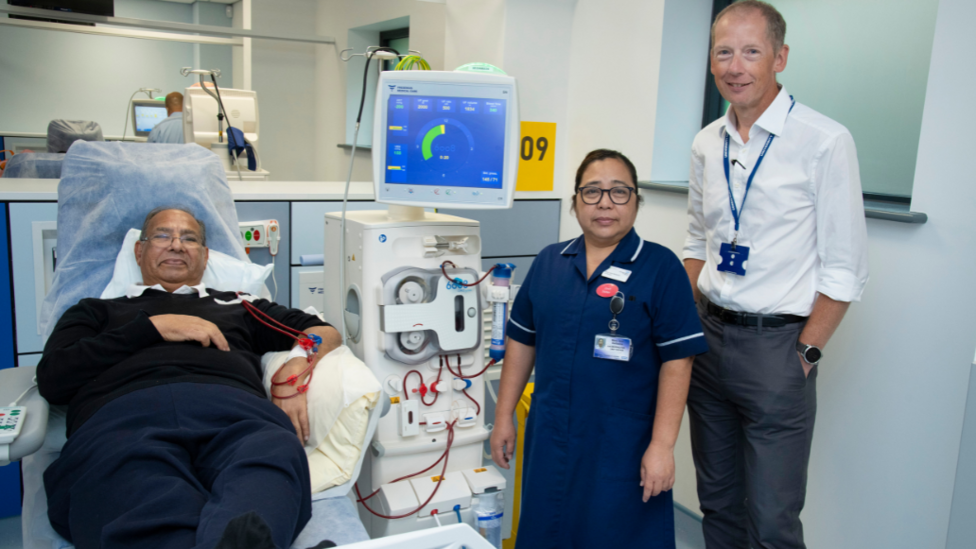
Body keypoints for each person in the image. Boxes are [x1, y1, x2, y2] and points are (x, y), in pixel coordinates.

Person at [37, 207, 341, 549]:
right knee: (129, 477)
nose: (177, 245)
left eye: (190, 238)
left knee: (270, 452)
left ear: (205, 255)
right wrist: (152, 328)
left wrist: (299, 362)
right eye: (163, 235)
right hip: (124, 420)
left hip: (236, 414)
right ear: (139, 251)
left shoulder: (240, 305)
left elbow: (320, 331)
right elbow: (53, 377)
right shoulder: (95, 310)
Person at [683, 2, 869, 548]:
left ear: (780, 57)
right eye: (723, 51)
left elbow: (845, 268)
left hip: (778, 349)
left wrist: (805, 354)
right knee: (716, 503)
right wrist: (683, 317)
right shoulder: (705, 142)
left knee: (771, 521)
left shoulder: (825, 141)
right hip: (708, 342)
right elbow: (698, 240)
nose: (735, 66)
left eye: (751, 51)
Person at [490, 149, 709, 548]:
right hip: (551, 433)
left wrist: (662, 447)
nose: (605, 203)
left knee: (616, 532)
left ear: (637, 202)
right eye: (591, 192)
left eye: (619, 192)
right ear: (575, 202)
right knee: (546, 528)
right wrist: (504, 416)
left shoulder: (661, 268)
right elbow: (521, 340)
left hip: (622, 442)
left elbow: (679, 361)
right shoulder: (549, 262)